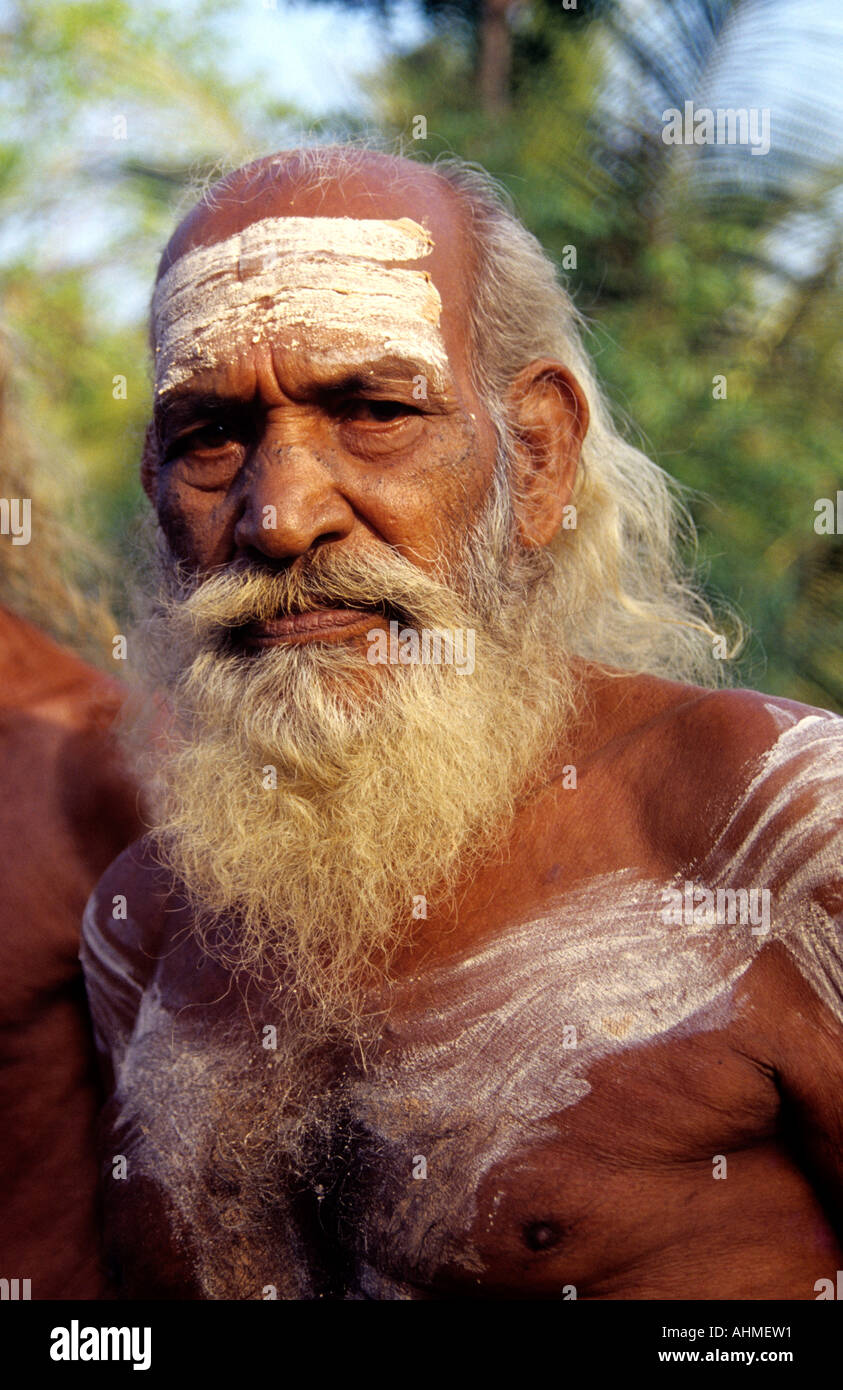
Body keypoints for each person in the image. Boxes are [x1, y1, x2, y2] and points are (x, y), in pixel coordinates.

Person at [81, 146, 843, 1300]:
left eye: (374, 411)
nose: (279, 516)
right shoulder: (141, 929)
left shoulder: (774, 829)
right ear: (155, 490)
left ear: (535, 457)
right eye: (211, 437)